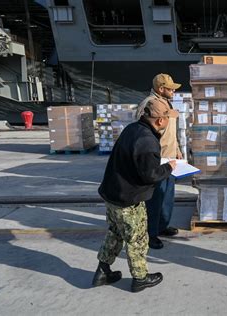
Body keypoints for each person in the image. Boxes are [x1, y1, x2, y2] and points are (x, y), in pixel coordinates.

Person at [92, 97, 178, 293]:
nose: (168, 122)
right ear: (160, 120)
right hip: (127, 199)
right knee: (137, 238)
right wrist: (169, 167)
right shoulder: (148, 140)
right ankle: (140, 278)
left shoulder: (132, 129)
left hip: (112, 194)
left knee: (115, 233)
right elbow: (150, 176)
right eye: (168, 118)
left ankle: (103, 270)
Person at [136, 73, 183, 250]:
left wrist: (177, 150)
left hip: (170, 158)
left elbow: (171, 131)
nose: (174, 91)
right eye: (171, 89)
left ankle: (162, 226)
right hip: (158, 160)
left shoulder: (165, 102)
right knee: (155, 200)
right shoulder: (152, 104)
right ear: (161, 89)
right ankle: (151, 234)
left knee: (167, 197)